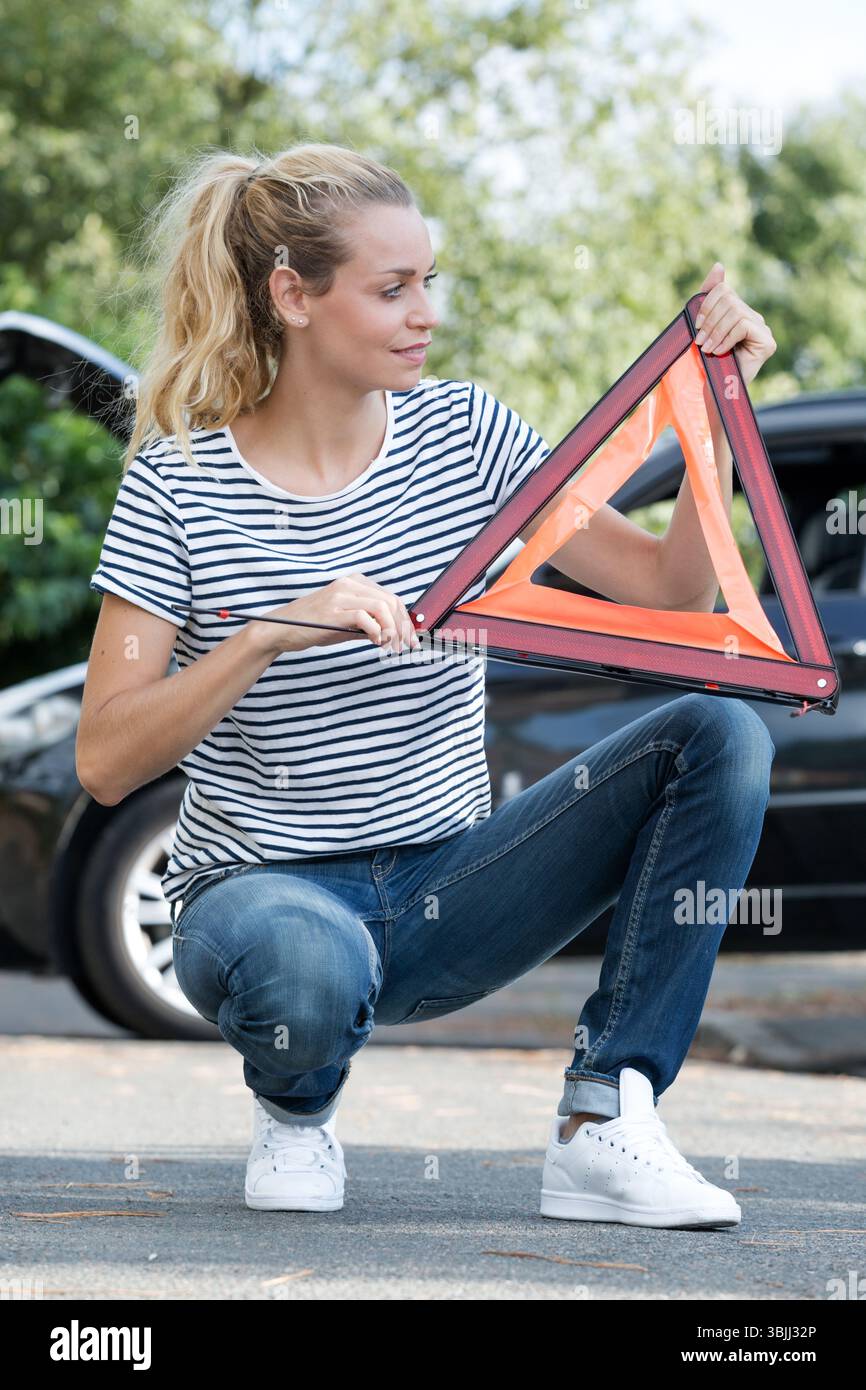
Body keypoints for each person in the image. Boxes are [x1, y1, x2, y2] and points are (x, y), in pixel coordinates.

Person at [77, 142, 777, 1226]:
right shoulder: (179, 482)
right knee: (306, 970)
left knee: (718, 734)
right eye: (391, 287)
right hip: (264, 898)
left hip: (451, 883)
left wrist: (717, 408)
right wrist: (265, 631)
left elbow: (670, 588)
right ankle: (296, 1103)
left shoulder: (468, 437)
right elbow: (106, 757)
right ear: (292, 295)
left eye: (427, 282)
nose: (424, 313)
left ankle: (604, 1117)